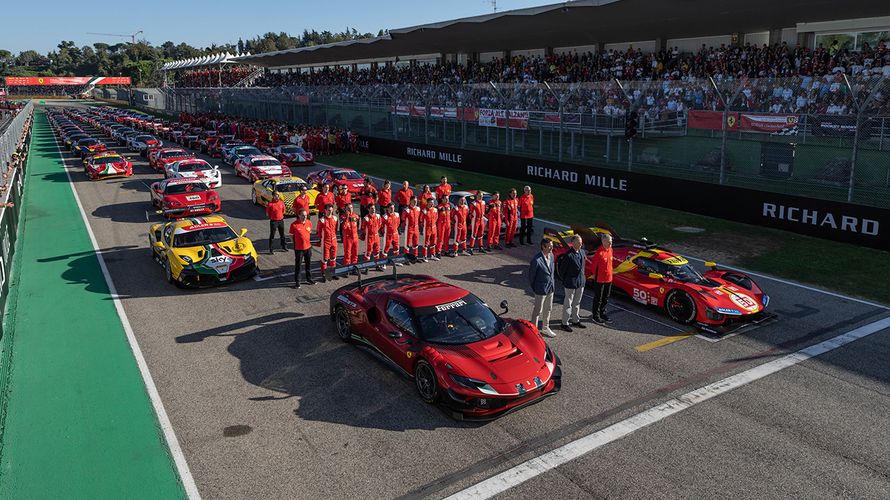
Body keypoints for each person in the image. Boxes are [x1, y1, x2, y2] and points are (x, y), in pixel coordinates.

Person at [528, 239, 557, 338]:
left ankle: (545, 327)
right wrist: (536, 288)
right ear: (543, 247)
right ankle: (534, 331)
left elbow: (551, 271)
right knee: (538, 311)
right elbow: (531, 277)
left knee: (548, 309)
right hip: (540, 290)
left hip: (550, 288)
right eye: (549, 246)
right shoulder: (536, 260)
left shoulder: (552, 256)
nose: (552, 248)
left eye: (552, 246)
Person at [558, 234, 587, 332]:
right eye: (579, 242)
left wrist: (583, 279)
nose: (581, 244)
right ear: (573, 243)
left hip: (580, 282)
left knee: (577, 303)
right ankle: (564, 323)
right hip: (570, 283)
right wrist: (566, 280)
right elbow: (562, 271)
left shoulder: (582, 252)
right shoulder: (568, 255)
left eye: (581, 242)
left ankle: (575, 320)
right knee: (568, 303)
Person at [590, 233, 614, 324]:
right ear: (603, 242)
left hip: (609, 279)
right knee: (598, 298)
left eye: (611, 242)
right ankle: (595, 316)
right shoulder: (599, 253)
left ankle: (602, 313)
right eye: (609, 242)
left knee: (606, 297)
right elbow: (593, 267)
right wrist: (596, 275)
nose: (611, 243)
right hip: (599, 279)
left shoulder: (610, 250)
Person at [289, 209, 315, 288]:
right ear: (299, 215)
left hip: (308, 247)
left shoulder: (309, 222)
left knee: (308, 264)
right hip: (299, 249)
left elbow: (309, 232)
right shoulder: (294, 225)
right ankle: (297, 281)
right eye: (303, 215)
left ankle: (309, 279)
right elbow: (291, 236)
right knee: (298, 266)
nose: (305, 217)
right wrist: (296, 243)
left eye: (306, 215)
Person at [315, 204, 339, 282]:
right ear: (325, 210)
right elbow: (318, 232)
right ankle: (324, 274)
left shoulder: (335, 218)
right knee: (325, 259)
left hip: (334, 240)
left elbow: (336, 229)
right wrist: (321, 239)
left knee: (333, 258)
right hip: (325, 241)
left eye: (331, 210)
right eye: (328, 210)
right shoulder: (321, 220)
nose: (330, 211)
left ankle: (333, 273)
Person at [361, 204, 384, 269]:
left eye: (374, 208)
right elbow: (363, 228)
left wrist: (375, 232)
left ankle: (377, 265)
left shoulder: (378, 216)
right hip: (369, 237)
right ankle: (366, 266)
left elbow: (380, 225)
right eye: (372, 208)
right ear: (368, 209)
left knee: (377, 251)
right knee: (368, 252)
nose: (373, 210)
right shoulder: (366, 219)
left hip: (376, 236)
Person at [341, 204, 360, 270]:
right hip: (348, 238)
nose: (350, 209)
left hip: (355, 237)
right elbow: (344, 227)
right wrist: (347, 217)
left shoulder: (356, 216)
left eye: (351, 207)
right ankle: (347, 268)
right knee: (347, 254)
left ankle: (354, 267)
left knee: (355, 253)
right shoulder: (343, 217)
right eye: (348, 208)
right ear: (345, 209)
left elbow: (357, 225)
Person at [420, 197, 439, 262]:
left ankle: (432, 255)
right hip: (427, 229)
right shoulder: (424, 211)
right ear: (427, 203)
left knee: (433, 242)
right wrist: (424, 227)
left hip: (434, 228)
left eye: (433, 203)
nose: (432, 204)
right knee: (426, 243)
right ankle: (424, 256)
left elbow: (436, 218)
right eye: (431, 203)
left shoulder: (435, 210)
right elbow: (421, 220)